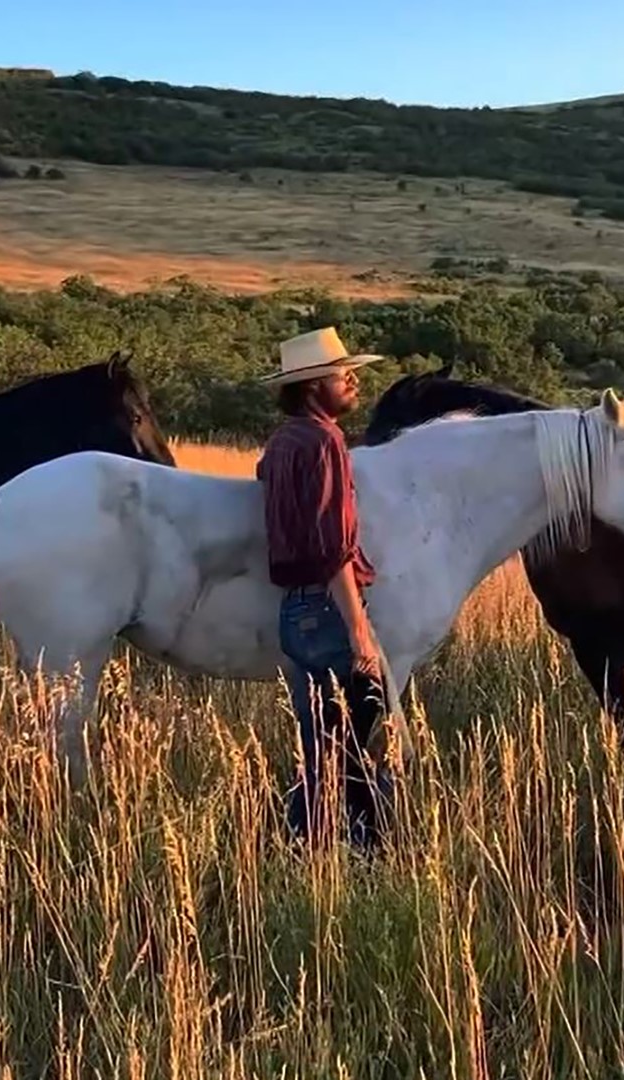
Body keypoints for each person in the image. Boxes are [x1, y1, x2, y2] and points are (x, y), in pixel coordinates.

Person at [255, 326, 394, 849]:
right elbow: (334, 546)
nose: (353, 380)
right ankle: (365, 849)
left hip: (296, 611)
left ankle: (302, 845)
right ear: (315, 387)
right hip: (330, 608)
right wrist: (358, 628)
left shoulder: (284, 441)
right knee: (358, 742)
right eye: (343, 375)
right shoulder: (326, 440)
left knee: (321, 743)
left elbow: (263, 473)